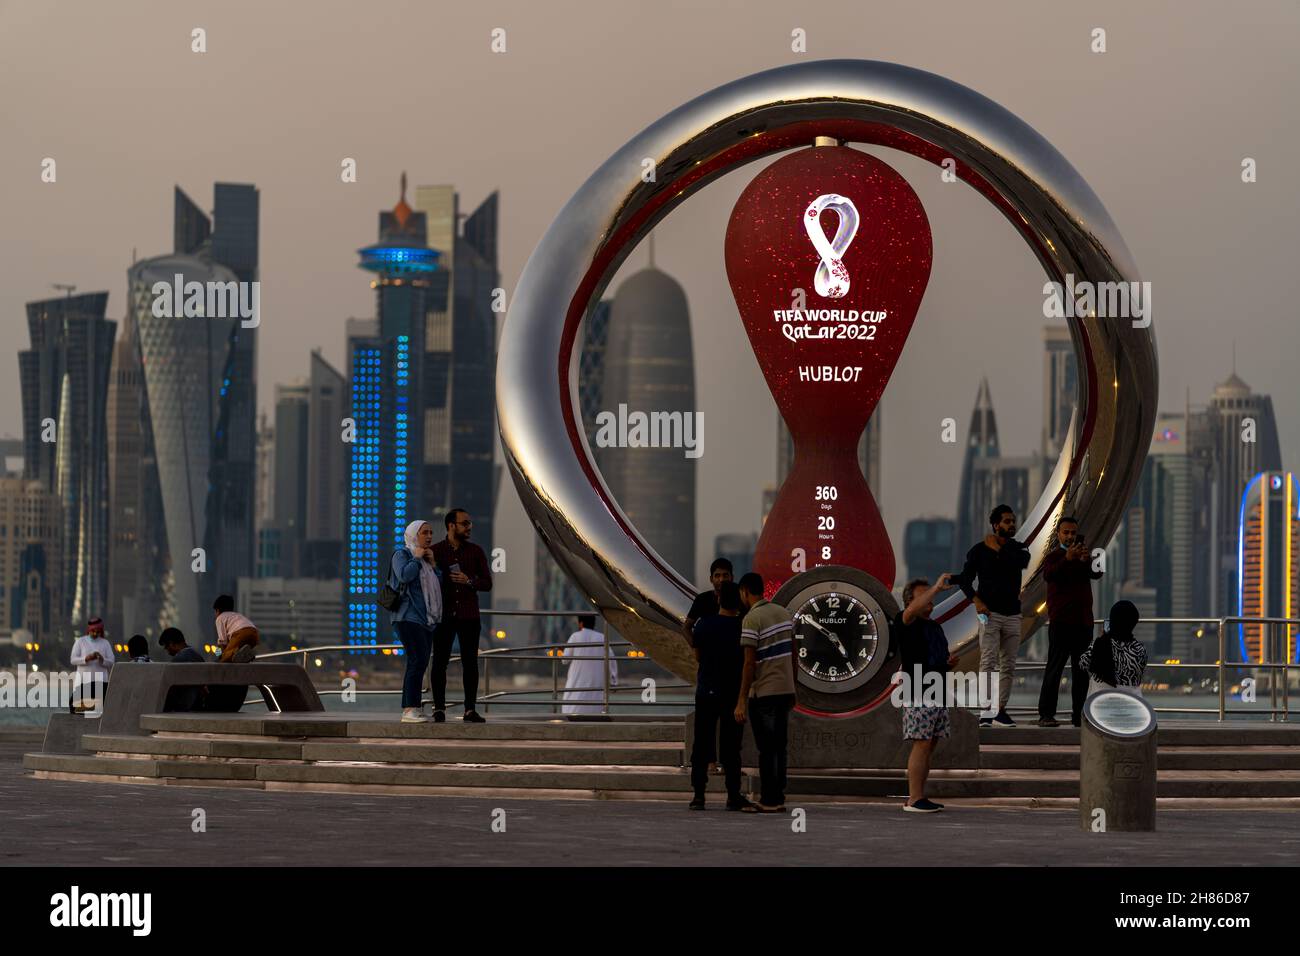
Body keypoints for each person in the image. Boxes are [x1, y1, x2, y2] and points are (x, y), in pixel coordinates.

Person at [954, 504, 1030, 728]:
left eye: (1013, 521)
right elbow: (965, 581)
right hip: (989, 614)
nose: (1011, 524)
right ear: (996, 525)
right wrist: (976, 601)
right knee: (988, 663)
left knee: (1009, 665)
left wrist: (996, 548)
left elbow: (1019, 563)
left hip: (1013, 614)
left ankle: (1001, 711)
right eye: (1006, 521)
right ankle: (987, 711)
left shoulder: (1020, 549)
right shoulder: (977, 551)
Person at [895, 575, 959, 813]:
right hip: (917, 691)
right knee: (921, 744)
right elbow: (912, 611)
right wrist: (937, 588)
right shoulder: (905, 621)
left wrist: (948, 665)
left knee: (930, 744)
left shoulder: (934, 627)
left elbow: (934, 659)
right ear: (911, 601)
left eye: (931, 599)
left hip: (937, 690)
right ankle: (914, 798)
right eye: (923, 598)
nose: (929, 603)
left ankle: (918, 795)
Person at [688, 581, 752, 811]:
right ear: (739, 601)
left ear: (718, 599)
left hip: (706, 692)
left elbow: (697, 655)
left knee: (702, 744)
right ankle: (733, 795)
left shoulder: (704, 625)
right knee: (731, 748)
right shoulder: (743, 627)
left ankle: (698, 796)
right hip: (732, 695)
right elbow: (748, 662)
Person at [736, 572, 796, 813]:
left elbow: (749, 663)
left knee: (767, 748)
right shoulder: (784, 613)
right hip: (784, 690)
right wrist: (794, 688)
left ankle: (769, 800)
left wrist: (741, 699)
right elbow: (794, 653)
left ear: (744, 592)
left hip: (764, 693)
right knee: (779, 747)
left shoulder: (752, 619)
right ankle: (778, 796)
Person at [1038, 516, 1103, 727]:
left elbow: (1098, 573)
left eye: (1073, 533)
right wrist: (1067, 558)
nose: (1070, 536)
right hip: (1061, 622)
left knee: (1081, 671)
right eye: (1066, 532)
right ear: (1058, 534)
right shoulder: (1053, 557)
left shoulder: (1085, 555)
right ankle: (1046, 715)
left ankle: (1079, 716)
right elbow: (1049, 575)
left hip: (1083, 622)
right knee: (1054, 669)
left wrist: (1088, 559)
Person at [432, 508, 492, 723]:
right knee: (439, 662)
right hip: (444, 615)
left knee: (470, 662)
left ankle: (470, 710)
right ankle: (439, 709)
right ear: (451, 526)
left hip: (469, 615)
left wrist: (469, 581)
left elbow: (487, 583)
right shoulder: (435, 551)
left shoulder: (476, 551)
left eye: (470, 523)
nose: (469, 527)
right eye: (465, 523)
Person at [390, 519, 443, 723]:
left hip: (426, 620)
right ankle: (409, 708)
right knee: (416, 661)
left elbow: (438, 583)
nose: (429, 536)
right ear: (413, 535)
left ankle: (414, 707)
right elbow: (404, 576)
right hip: (407, 617)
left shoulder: (426, 559)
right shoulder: (401, 554)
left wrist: (432, 563)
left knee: (421, 663)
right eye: (424, 533)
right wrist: (416, 558)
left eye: (430, 532)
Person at [1080, 600, 1147, 697]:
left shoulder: (1098, 644)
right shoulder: (1140, 650)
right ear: (1134, 623)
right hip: (1131, 706)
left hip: (1099, 705)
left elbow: (1083, 664)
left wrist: (1102, 638)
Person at [561, 615, 617, 715]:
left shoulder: (575, 636)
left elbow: (565, 660)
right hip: (597, 687)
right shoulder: (602, 637)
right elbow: (611, 659)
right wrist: (613, 681)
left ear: (581, 623)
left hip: (576, 687)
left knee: (572, 706)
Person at [682, 558, 734, 646]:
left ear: (732, 577)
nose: (721, 579)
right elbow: (686, 628)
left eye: (725, 575)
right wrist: (697, 649)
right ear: (711, 579)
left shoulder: (740, 598)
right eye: (717, 576)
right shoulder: (702, 599)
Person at [69, 617, 114, 713]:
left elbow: (111, 662)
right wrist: (86, 659)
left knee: (102, 708)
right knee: (74, 707)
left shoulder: (105, 643)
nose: (95, 634)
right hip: (84, 682)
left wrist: (102, 660)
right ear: (89, 630)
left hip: (101, 683)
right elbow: (73, 660)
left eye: (97, 632)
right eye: (93, 631)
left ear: (100, 631)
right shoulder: (80, 641)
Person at [159, 628, 206, 711]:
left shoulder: (178, 659)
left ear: (171, 644)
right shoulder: (197, 655)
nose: (167, 650)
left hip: (184, 707)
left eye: (166, 647)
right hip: (199, 705)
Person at [212, 595, 260, 663]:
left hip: (241, 633)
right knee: (238, 655)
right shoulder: (236, 615)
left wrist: (219, 656)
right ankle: (244, 654)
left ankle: (236, 652)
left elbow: (222, 642)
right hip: (254, 633)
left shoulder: (220, 618)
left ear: (217, 610)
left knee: (226, 657)